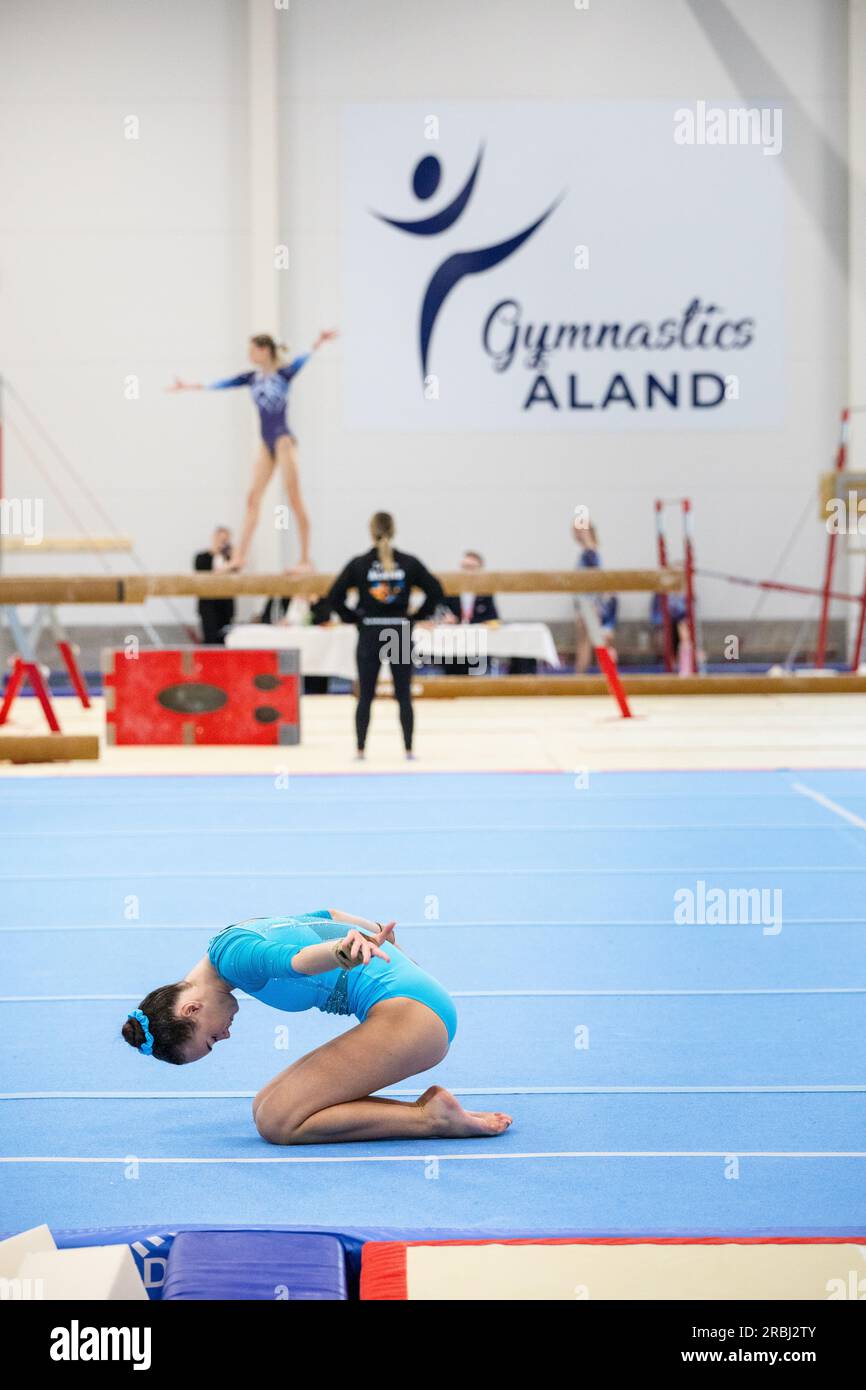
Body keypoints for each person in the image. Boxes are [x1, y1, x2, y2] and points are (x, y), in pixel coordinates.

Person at [121, 908, 512, 1145]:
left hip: (413, 1017)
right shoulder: (227, 942)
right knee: (264, 1108)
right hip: (411, 1006)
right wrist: (374, 932)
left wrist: (340, 953)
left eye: (211, 1039)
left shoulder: (235, 959)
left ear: (191, 1009)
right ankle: (432, 1115)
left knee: (278, 1123)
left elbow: (297, 960)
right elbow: (327, 917)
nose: (225, 1035)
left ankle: (432, 1119)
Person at [168, 330, 337, 570]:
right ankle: (239, 556)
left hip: (283, 440)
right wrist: (188, 386)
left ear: (265, 350)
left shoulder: (284, 374)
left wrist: (318, 342)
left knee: (294, 498)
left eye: (252, 349)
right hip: (266, 443)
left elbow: (303, 359)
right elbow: (220, 384)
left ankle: (305, 559)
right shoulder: (251, 378)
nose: (248, 354)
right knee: (252, 499)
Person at [324, 512, 444, 760]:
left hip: (371, 630)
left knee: (365, 694)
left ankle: (360, 749)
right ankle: (409, 750)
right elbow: (436, 591)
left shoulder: (360, 563)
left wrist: (355, 618)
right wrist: (414, 617)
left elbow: (334, 596)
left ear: (371, 531)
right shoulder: (408, 563)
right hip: (398, 629)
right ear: (394, 530)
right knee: (403, 694)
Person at [572, 517, 618, 673]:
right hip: (586, 604)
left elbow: (599, 580)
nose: (575, 534)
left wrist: (596, 606)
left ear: (588, 531)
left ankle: (604, 675)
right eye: (574, 531)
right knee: (588, 642)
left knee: (595, 643)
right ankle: (582, 676)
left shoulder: (590, 553)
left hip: (591, 605)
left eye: (579, 530)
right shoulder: (588, 552)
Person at [193, 526, 235, 645]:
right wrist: (215, 553)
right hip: (208, 605)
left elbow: (237, 571)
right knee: (210, 641)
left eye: (225, 540)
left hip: (225, 605)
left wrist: (233, 557)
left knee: (225, 640)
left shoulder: (230, 559)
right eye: (220, 539)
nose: (222, 543)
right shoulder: (202, 557)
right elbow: (202, 574)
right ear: (214, 538)